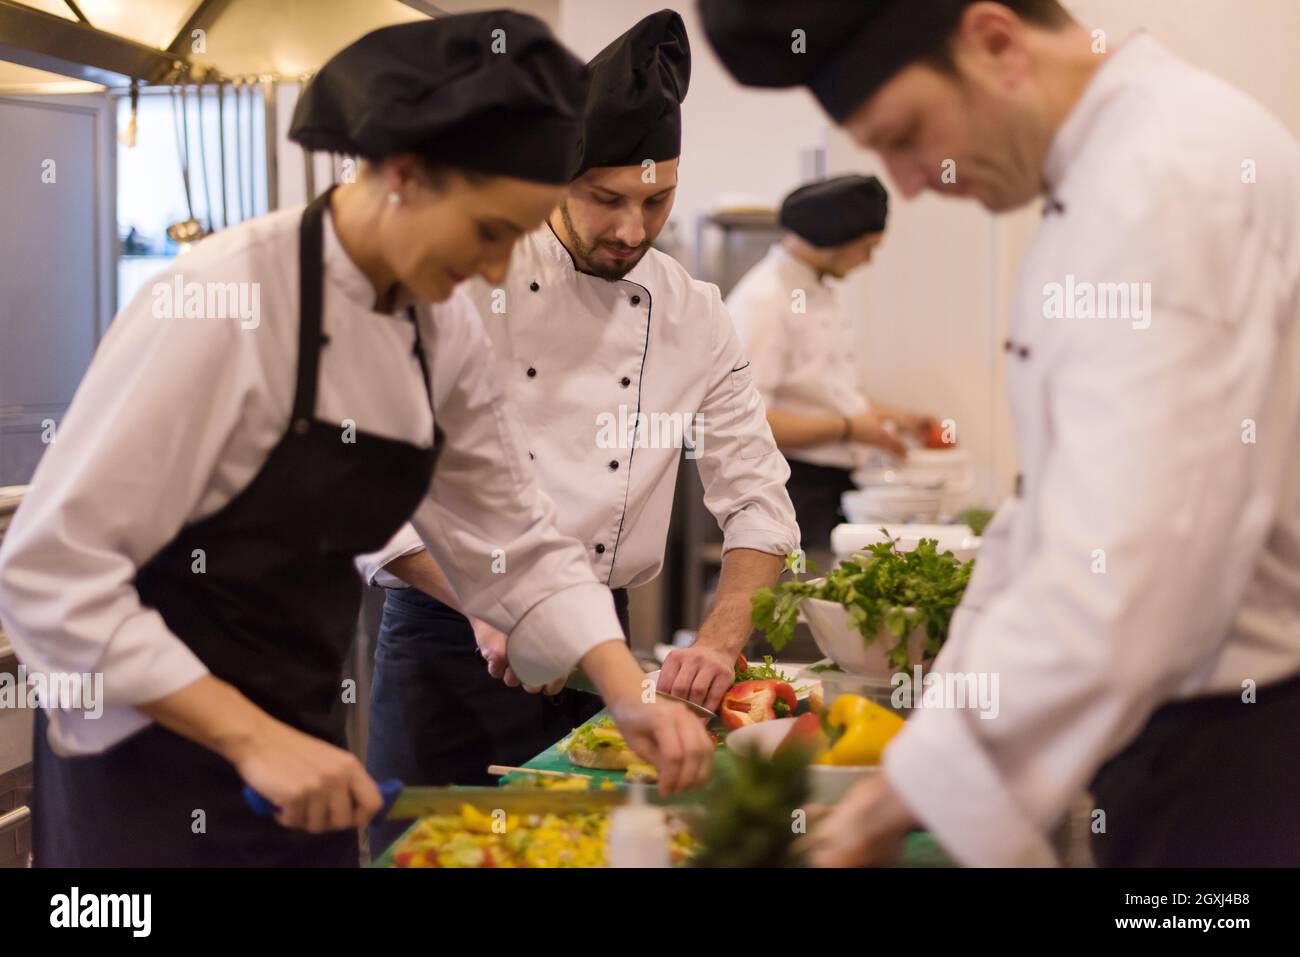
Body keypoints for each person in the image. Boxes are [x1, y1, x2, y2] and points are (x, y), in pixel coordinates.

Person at [0, 13, 711, 867]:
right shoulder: (221, 302)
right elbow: (49, 569)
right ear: (404, 175)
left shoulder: (435, 327)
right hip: (150, 753)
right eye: (488, 233)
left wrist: (625, 693)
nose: (495, 271)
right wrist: (248, 736)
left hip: (304, 745)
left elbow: (513, 538)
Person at [703, 0, 1300, 866]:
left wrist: (901, 795)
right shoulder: (1113, 173)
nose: (905, 182)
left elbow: (1126, 570)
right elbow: (1045, 520)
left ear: (995, 42)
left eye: (905, 134)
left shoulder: (1162, 181)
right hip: (1188, 735)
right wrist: (926, 746)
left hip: (1232, 752)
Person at [357, 9, 799, 851]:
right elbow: (377, 494)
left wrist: (722, 631)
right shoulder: (472, 274)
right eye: (605, 200)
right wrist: (497, 603)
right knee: (433, 855)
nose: (632, 230)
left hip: (603, 651)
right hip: (453, 641)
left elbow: (758, 498)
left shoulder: (693, 313)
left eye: (656, 200)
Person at [728, 174, 936, 555]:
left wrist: (894, 417)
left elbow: (821, 391)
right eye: (868, 248)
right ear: (832, 243)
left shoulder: (819, 289)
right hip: (793, 489)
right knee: (798, 605)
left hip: (832, 488)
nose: (869, 261)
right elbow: (747, 420)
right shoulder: (764, 299)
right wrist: (849, 429)